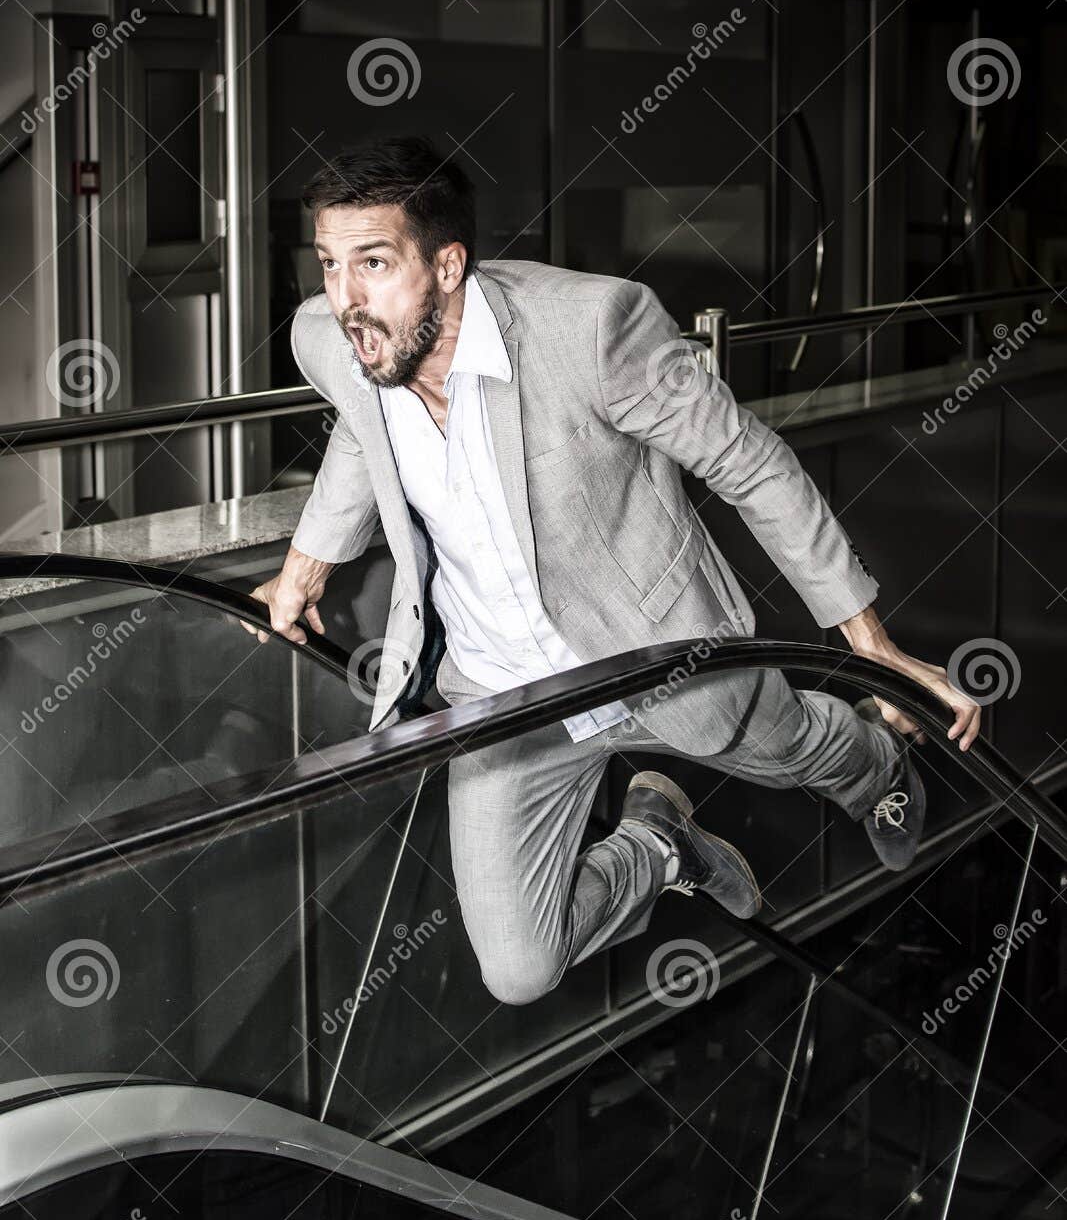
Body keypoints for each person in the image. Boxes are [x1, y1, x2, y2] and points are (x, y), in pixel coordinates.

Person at [244, 136, 980, 1007]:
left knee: (801, 749)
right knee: (518, 970)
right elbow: (361, 424)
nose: (345, 298)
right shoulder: (331, 338)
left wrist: (869, 643)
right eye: (329, 264)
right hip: (504, 697)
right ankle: (662, 843)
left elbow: (747, 462)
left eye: (373, 263)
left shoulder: (590, 329)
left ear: (446, 264)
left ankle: (877, 766)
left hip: (657, 658)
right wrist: (304, 567)